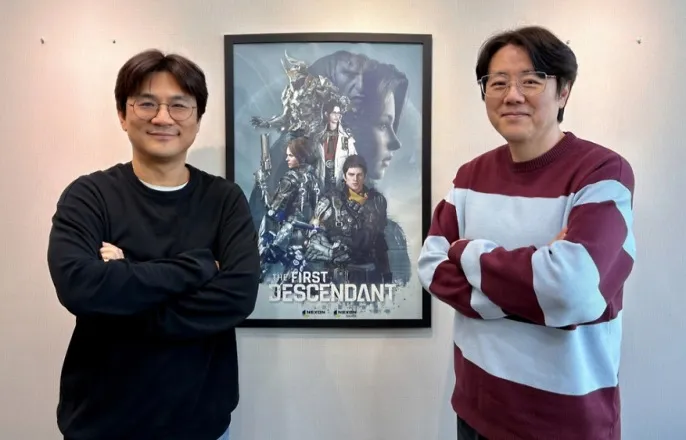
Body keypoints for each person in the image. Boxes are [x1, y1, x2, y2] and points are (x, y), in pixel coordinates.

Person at [417, 26, 635, 440]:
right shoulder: (470, 176)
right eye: (498, 82)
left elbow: (572, 291)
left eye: (531, 81)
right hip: (476, 410)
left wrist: (466, 252)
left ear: (563, 92)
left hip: (566, 422)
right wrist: (537, 284)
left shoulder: (602, 173)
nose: (512, 95)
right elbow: (430, 266)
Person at [46, 49, 260, 440]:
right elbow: (79, 286)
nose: (162, 118)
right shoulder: (89, 196)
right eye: (146, 103)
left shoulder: (224, 200)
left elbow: (238, 296)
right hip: (100, 425)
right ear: (122, 115)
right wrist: (200, 266)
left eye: (179, 105)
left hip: (201, 427)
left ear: (197, 118)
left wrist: (124, 281)